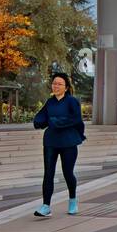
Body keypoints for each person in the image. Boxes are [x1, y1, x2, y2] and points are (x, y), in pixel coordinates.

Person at [31, 71, 85, 217]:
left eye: (59, 84)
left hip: (68, 141)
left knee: (68, 172)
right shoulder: (50, 102)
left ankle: (73, 200)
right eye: (54, 83)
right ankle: (46, 205)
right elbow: (40, 118)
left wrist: (55, 121)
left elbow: (76, 120)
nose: (56, 86)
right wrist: (41, 122)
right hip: (51, 141)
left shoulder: (72, 101)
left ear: (66, 87)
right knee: (48, 173)